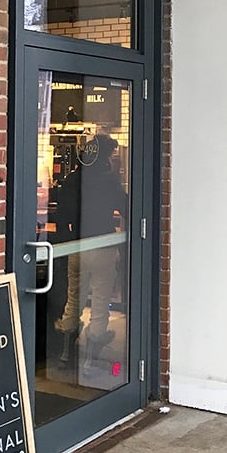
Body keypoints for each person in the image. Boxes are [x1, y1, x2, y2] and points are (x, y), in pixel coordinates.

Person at [54, 134, 127, 367]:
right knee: (100, 299)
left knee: (74, 297)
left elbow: (61, 214)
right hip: (102, 245)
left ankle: (66, 352)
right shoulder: (109, 180)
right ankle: (89, 359)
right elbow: (126, 207)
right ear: (105, 155)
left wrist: (67, 241)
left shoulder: (73, 178)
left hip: (77, 246)